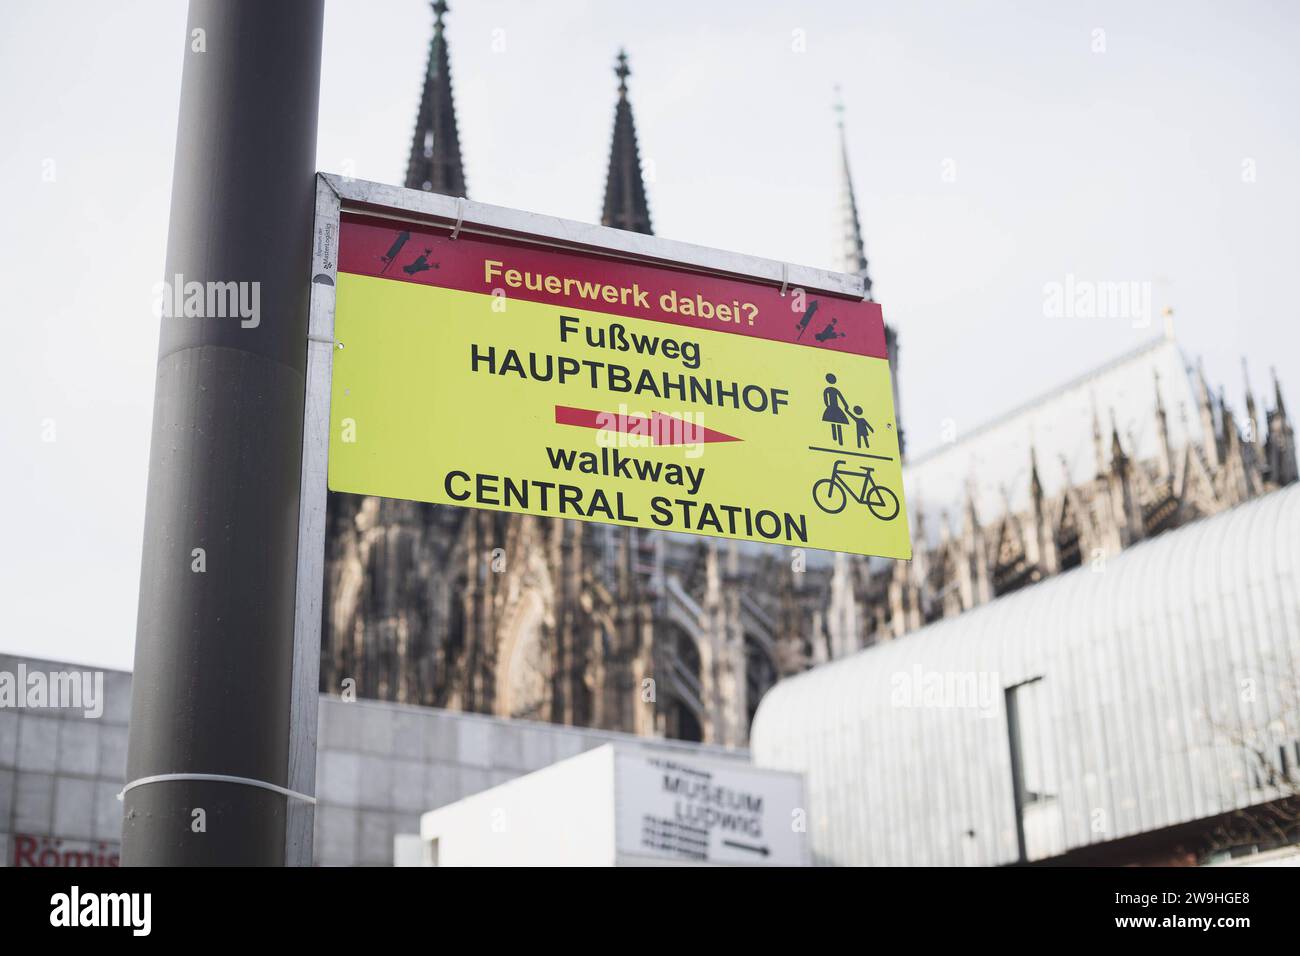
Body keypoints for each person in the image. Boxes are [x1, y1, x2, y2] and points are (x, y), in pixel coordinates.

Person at [821, 373, 850, 444]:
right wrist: (827, 405)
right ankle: (834, 438)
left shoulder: (835, 390)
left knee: (838, 422)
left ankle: (840, 440)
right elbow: (825, 398)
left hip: (836, 407)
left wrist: (846, 405)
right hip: (831, 407)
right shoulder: (827, 390)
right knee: (832, 422)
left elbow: (841, 398)